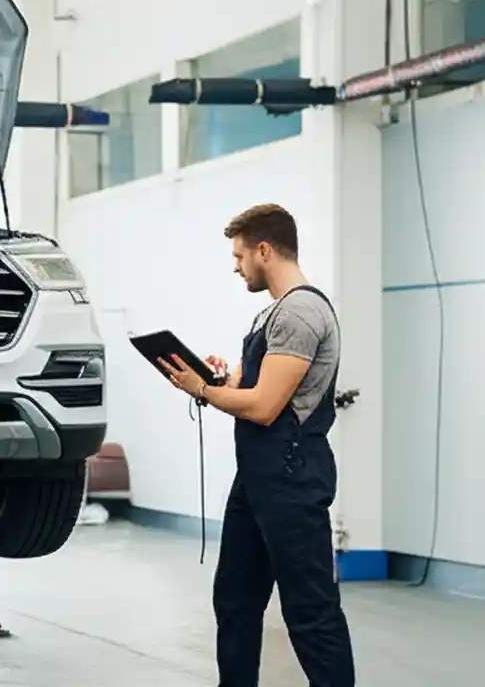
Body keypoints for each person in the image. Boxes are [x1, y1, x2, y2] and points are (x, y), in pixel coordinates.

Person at [157, 203, 355, 686]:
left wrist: (203, 391)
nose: (235, 265)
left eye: (239, 254)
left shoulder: (302, 312)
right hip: (257, 481)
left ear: (264, 250)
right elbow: (246, 388)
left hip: (291, 477)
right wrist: (213, 378)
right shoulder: (271, 314)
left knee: (310, 610)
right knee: (236, 600)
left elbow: (265, 407)